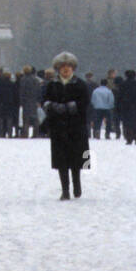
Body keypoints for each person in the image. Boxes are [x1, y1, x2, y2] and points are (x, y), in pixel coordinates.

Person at [43, 52, 91, 200]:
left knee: (76, 158)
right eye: (62, 67)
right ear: (58, 69)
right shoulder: (52, 84)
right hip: (58, 128)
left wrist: (73, 107)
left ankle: (77, 184)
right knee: (61, 160)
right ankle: (65, 190)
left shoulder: (80, 84)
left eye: (68, 67)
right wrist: (52, 106)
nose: (65, 69)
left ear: (73, 68)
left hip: (76, 127)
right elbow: (44, 100)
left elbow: (86, 102)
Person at [119, 69, 136, 145]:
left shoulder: (123, 84)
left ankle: (129, 138)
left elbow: (120, 96)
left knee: (127, 123)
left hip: (126, 106)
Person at [89, 75, 114, 141]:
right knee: (108, 122)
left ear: (100, 83)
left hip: (97, 108)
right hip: (107, 108)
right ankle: (107, 133)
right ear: (106, 84)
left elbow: (93, 100)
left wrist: (95, 105)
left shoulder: (95, 91)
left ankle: (97, 131)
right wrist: (110, 107)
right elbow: (111, 100)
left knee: (97, 121)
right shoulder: (109, 91)